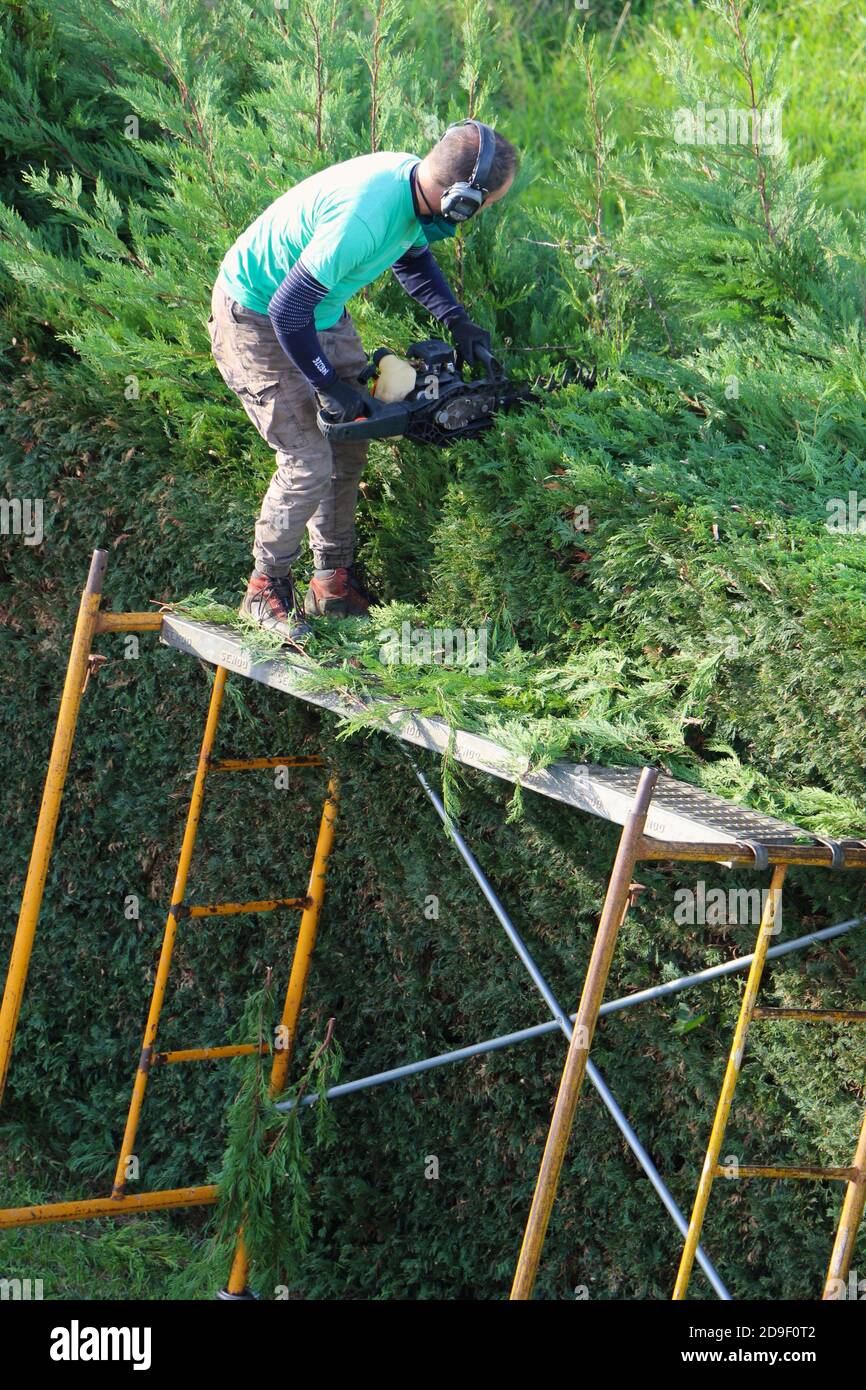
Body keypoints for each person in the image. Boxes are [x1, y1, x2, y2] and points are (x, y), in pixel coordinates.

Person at [208, 119, 517, 642]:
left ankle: (330, 582)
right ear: (460, 200)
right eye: (484, 206)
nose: (483, 215)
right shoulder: (364, 215)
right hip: (256, 317)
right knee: (307, 457)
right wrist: (332, 385)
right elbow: (286, 310)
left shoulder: (412, 192)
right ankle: (264, 588)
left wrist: (457, 320)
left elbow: (412, 257)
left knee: (350, 440)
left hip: (317, 314)